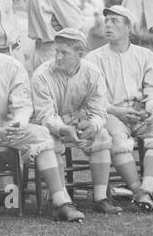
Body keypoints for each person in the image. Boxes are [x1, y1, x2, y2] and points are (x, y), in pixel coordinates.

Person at [0, 20, 81, 228]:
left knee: (42, 135)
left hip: (5, 126)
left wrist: (16, 125)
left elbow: (23, 105)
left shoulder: (12, 66)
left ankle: (60, 202)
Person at [83, 4, 153, 212]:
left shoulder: (145, 55)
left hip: (140, 110)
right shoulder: (94, 58)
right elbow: (92, 98)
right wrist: (116, 111)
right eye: (107, 21)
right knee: (118, 140)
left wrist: (150, 106)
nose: (108, 26)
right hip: (112, 112)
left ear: (128, 27)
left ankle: (146, 190)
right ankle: (138, 190)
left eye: (115, 21)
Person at [30, 27, 113, 218]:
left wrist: (93, 125)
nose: (58, 57)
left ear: (80, 54)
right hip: (47, 124)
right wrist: (64, 128)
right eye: (56, 52)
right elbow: (45, 115)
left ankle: (100, 199)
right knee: (49, 141)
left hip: (78, 120)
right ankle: (62, 201)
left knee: (101, 135)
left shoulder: (93, 73)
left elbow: (99, 109)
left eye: (64, 53)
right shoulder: (42, 75)